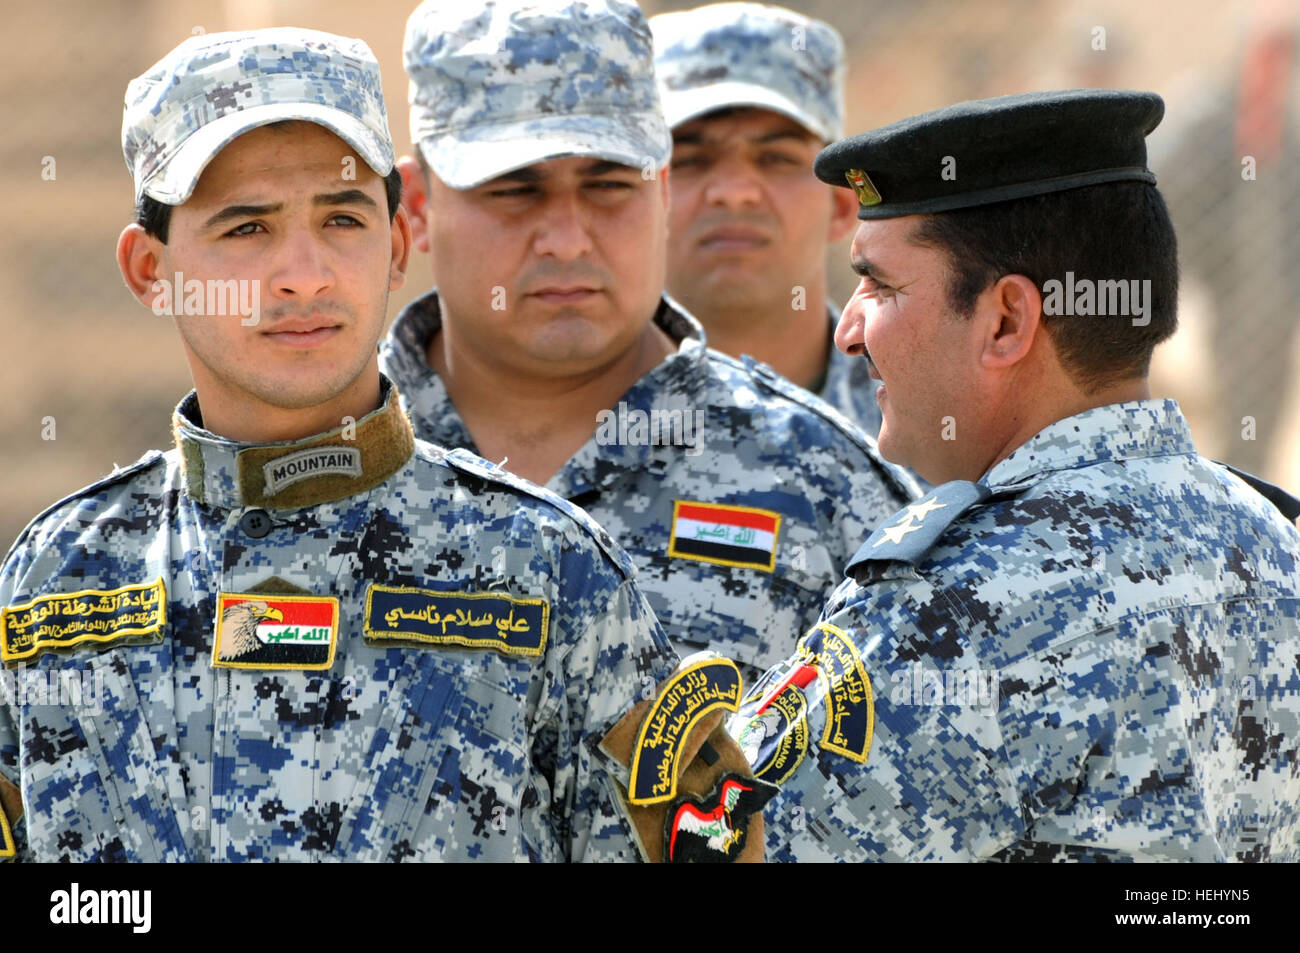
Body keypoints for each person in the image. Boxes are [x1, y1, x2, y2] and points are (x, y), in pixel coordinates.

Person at [0, 27, 737, 864]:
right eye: (247, 229)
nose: (304, 274)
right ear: (149, 269)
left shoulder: (545, 571)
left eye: (342, 219)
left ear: (393, 247)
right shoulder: (55, 585)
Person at [729, 89, 1300, 862]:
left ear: (1005, 322)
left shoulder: (937, 614)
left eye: (881, 286)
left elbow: (731, 836)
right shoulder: (1278, 542)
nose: (850, 328)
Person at [381, 0, 917, 688]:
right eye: (514, 190)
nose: (568, 239)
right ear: (418, 207)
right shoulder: (311, 464)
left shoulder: (829, 489)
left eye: (607, 186)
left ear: (660, 192)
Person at [650, 2, 880, 436]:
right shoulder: (560, 411)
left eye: (776, 158)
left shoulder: (924, 425)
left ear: (843, 205)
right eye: (691, 159)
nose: (735, 193)